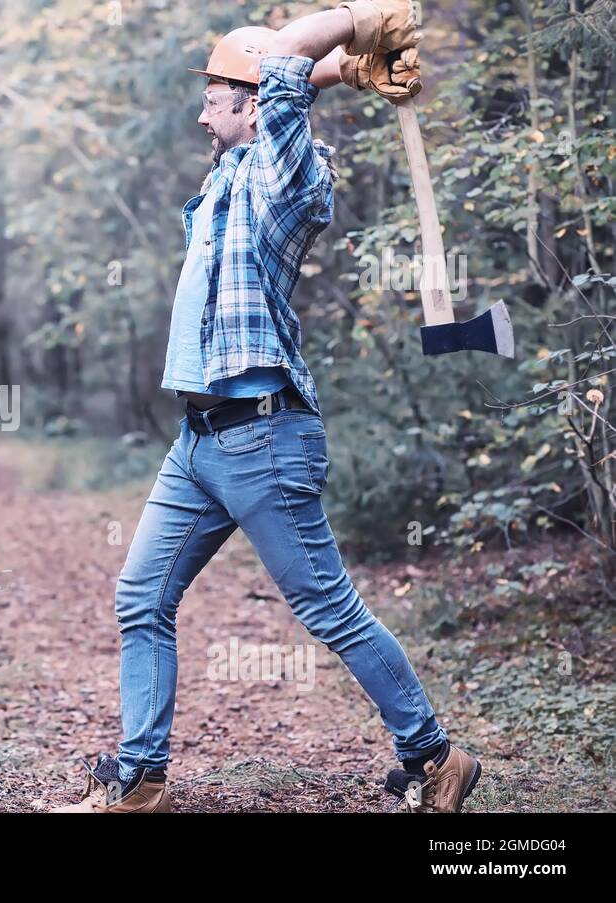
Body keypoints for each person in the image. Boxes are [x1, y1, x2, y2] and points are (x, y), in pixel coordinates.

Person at [53, 1, 481, 814]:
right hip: (200, 443)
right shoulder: (228, 173)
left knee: (328, 607)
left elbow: (278, 67)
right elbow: (278, 74)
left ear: (251, 105)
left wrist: (362, 17)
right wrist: (352, 68)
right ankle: (140, 780)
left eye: (215, 94)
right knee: (141, 598)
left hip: (266, 437)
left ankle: (436, 756)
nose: (202, 108)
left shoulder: (287, 177)